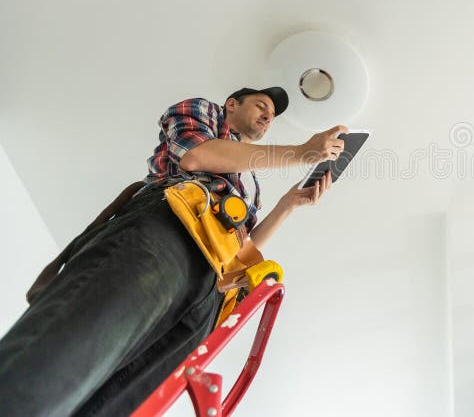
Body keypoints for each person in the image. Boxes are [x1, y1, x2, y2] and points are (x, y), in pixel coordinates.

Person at [0, 87, 347, 416]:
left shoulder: (250, 183)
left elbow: (241, 250)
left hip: (210, 291)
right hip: (170, 234)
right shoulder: (201, 111)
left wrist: (288, 204)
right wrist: (301, 153)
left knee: (119, 401)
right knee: (76, 346)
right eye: (261, 106)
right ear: (232, 104)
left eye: (272, 115)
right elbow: (197, 156)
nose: (268, 117)